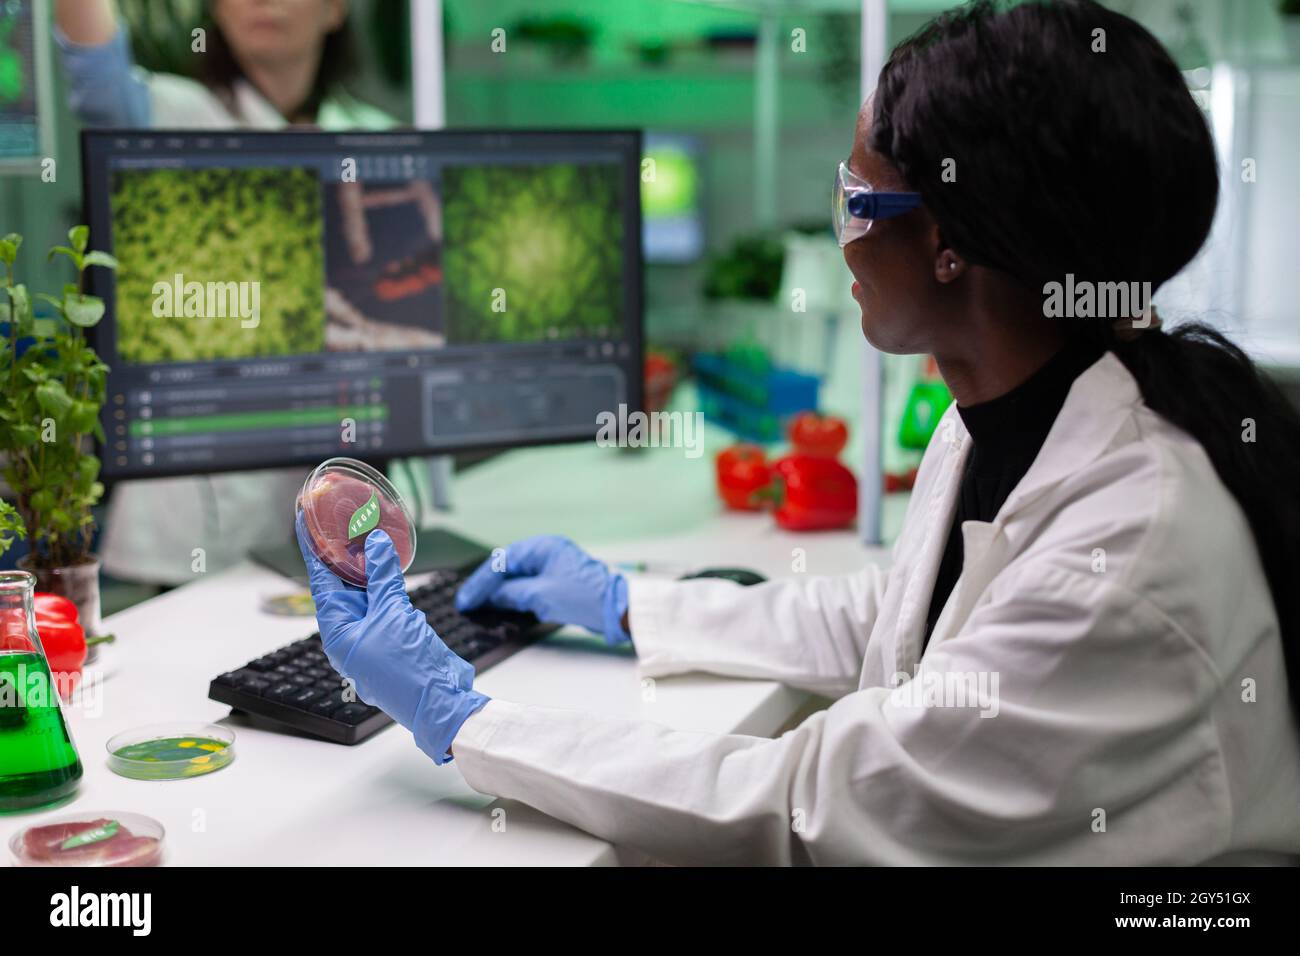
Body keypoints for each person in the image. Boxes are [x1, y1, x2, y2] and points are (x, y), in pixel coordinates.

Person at [298, 0, 1300, 865]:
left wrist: (457, 714)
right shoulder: (1018, 408)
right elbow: (900, 619)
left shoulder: (1122, 553)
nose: (842, 235)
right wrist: (627, 603)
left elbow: (802, 803)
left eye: (858, 201)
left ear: (950, 244)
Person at [54, 0, 394, 584]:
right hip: (187, 519)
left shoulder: (379, 141)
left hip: (332, 498)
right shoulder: (170, 112)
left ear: (336, 10)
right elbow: (96, 71)